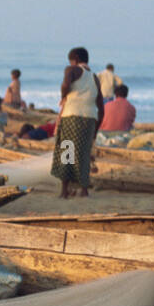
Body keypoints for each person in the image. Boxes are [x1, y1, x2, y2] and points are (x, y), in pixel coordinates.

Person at [51, 47, 103, 199]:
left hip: (71, 116)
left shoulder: (72, 69)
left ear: (74, 59)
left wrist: (63, 96)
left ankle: (64, 191)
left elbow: (65, 85)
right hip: (90, 119)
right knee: (84, 153)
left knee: (67, 152)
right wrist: (95, 130)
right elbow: (101, 107)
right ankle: (84, 190)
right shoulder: (95, 78)